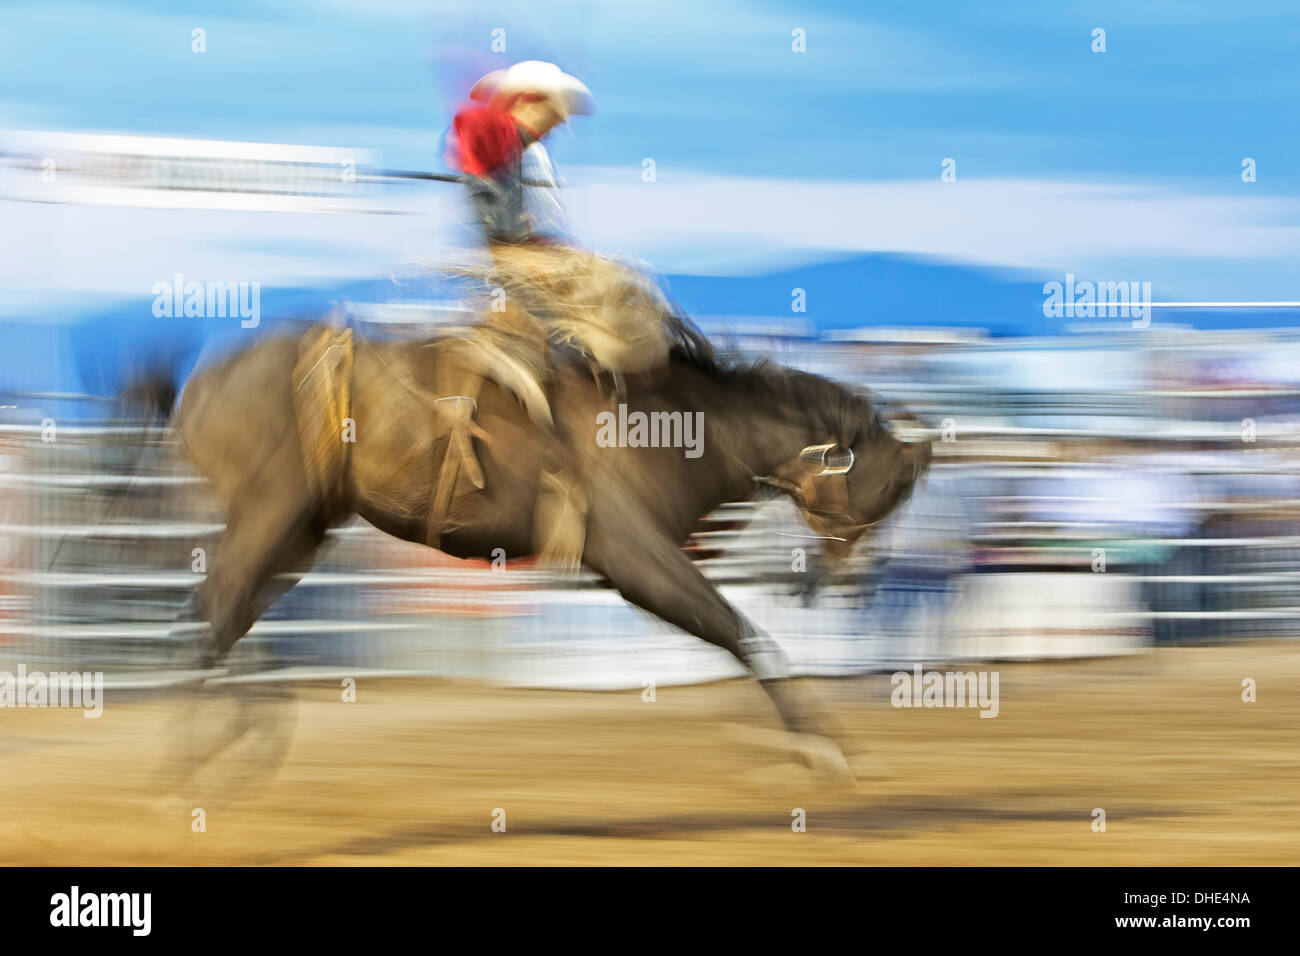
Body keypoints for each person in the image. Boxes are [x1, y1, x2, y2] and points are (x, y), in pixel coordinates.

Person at [447, 60, 593, 246]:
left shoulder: (517, 148)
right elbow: (505, 234)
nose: (555, 126)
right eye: (554, 115)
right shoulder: (500, 139)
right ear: (530, 100)